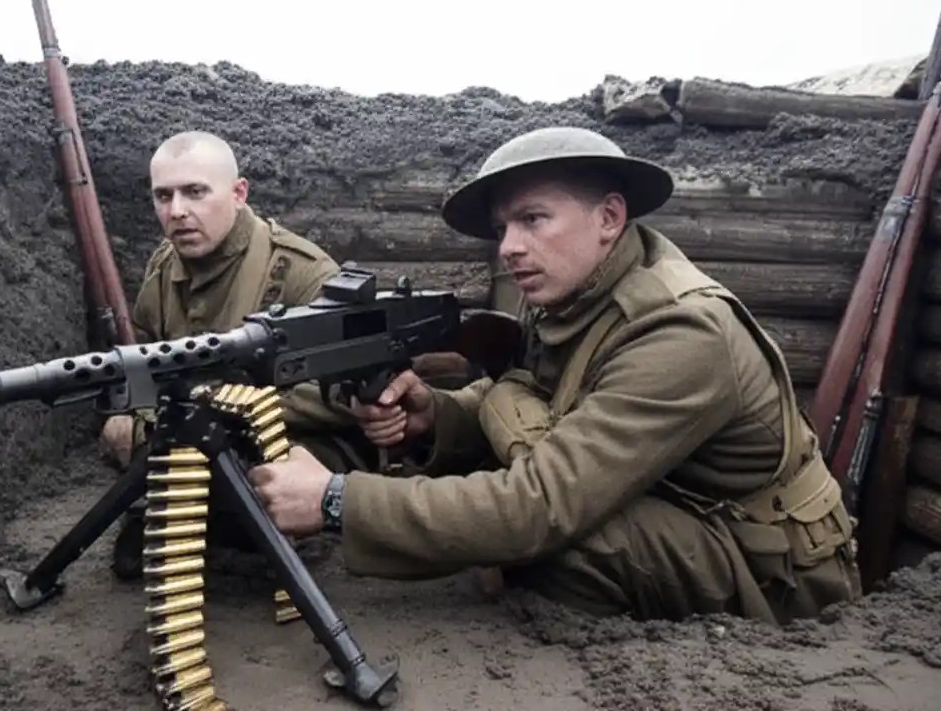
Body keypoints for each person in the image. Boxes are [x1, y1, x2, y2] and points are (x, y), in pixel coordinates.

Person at [247, 126, 863, 625]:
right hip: (675, 506)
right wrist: (433, 413)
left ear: (609, 218)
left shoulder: (683, 333)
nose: (509, 247)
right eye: (501, 230)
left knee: (558, 540)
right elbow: (534, 394)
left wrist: (335, 501)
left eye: (533, 219)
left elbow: (540, 506)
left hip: (773, 571)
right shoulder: (578, 293)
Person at [100, 130, 365, 579]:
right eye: (163, 196)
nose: (177, 211)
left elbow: (342, 395)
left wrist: (223, 402)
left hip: (294, 437)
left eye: (195, 192)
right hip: (201, 429)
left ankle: (252, 531)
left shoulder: (304, 274)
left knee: (253, 479)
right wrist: (137, 412)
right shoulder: (164, 267)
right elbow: (148, 354)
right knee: (127, 434)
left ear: (239, 193)